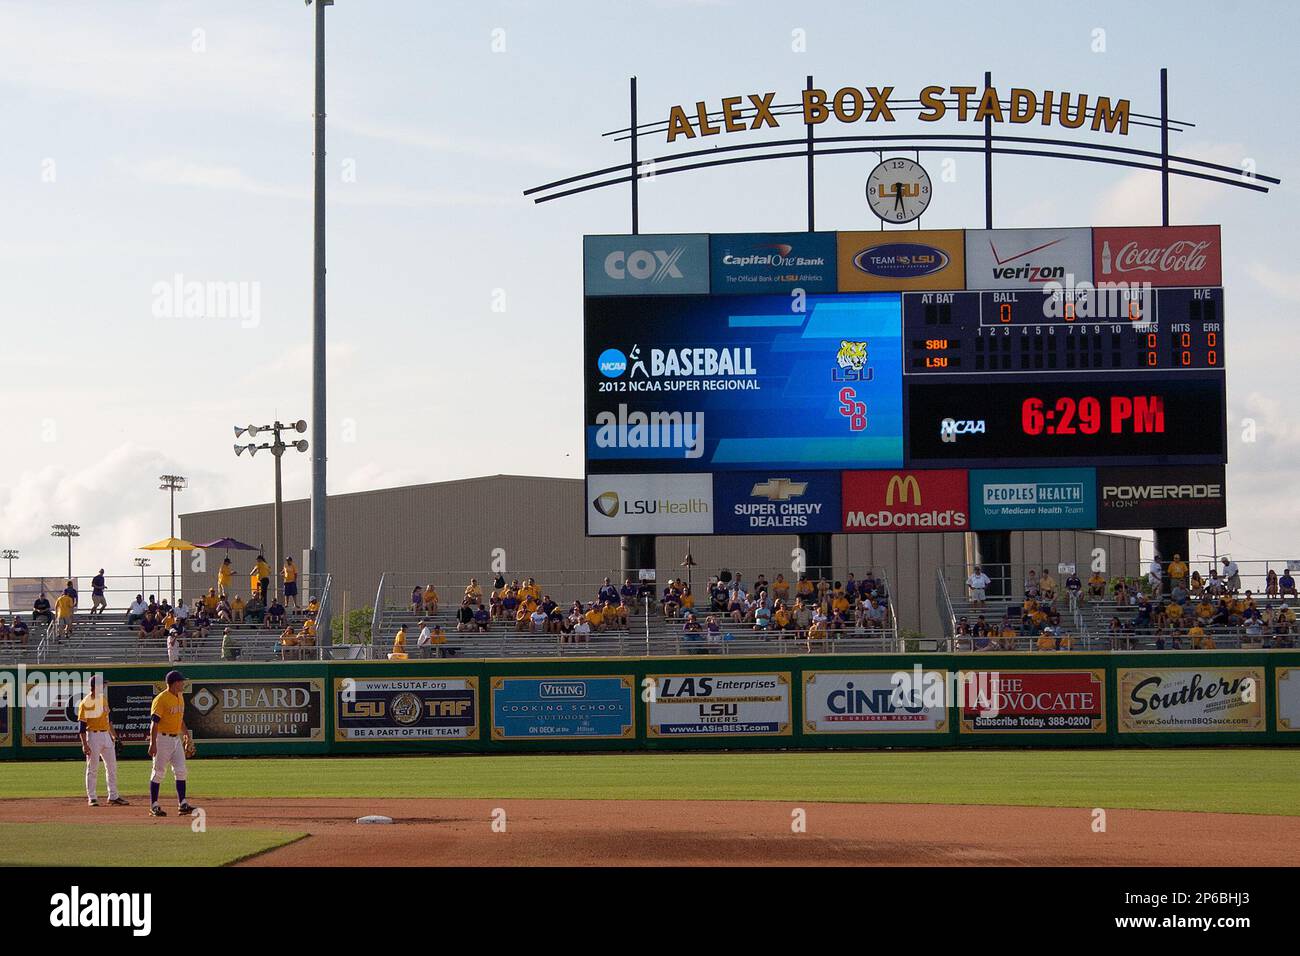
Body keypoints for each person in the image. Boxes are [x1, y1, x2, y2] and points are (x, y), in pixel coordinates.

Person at [147, 670, 196, 817]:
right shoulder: (161, 699)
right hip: (162, 739)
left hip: (176, 739)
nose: (183, 683)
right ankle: (154, 805)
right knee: (158, 772)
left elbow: (179, 719)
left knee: (181, 771)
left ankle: (182, 804)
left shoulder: (179, 697)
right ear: (174, 683)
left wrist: (186, 735)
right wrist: (152, 743)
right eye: (181, 681)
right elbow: (154, 723)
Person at [79, 676, 129, 807]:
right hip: (93, 736)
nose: (105, 686)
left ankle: (113, 796)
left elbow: (109, 722)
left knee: (112, 767)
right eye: (103, 685)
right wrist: (84, 744)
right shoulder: (85, 702)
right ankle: (92, 797)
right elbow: (82, 727)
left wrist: (115, 737)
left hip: (106, 736)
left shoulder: (103, 700)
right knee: (92, 768)